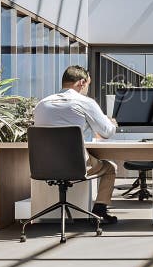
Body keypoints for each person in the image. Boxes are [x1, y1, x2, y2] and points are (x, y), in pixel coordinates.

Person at [33, 65, 119, 224]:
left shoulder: (41, 105)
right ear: (81, 82)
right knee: (110, 168)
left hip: (42, 166)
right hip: (76, 165)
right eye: (88, 84)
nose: (87, 89)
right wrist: (110, 122)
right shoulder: (85, 102)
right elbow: (107, 132)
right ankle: (99, 212)